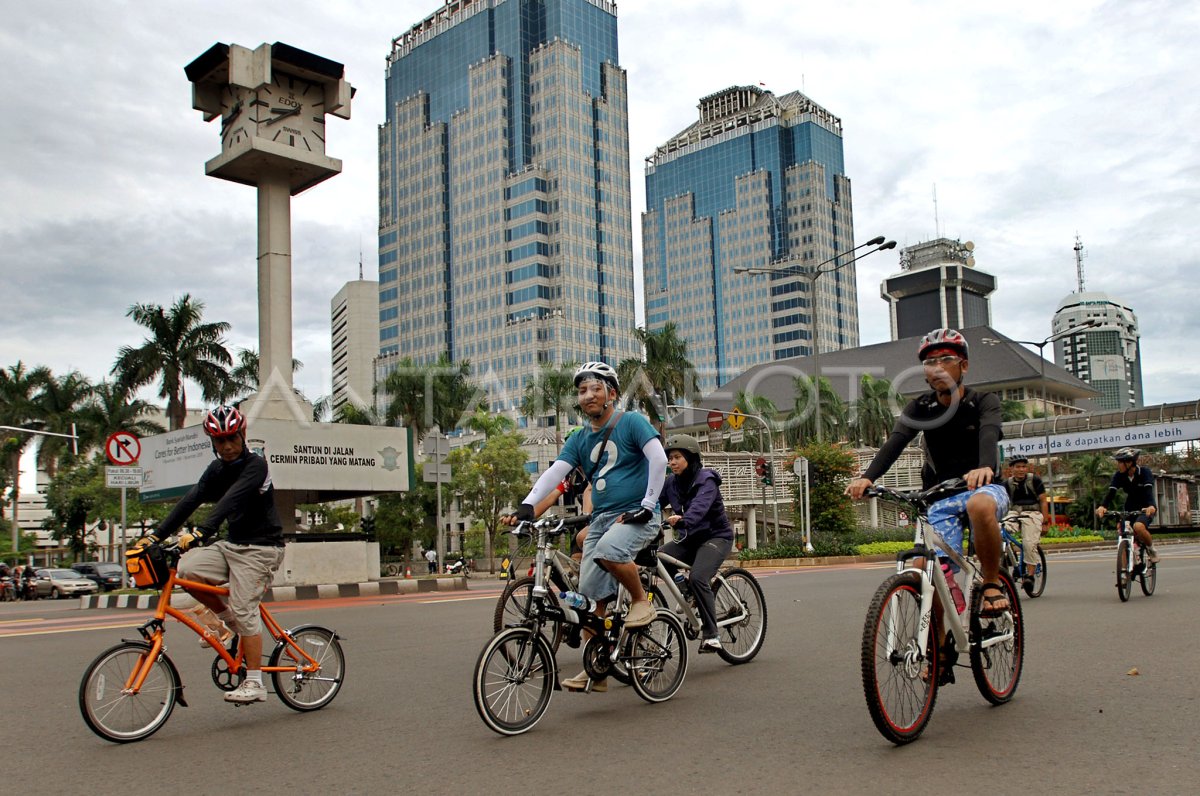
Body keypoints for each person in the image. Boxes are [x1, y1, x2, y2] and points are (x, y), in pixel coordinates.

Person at [507, 361, 667, 692]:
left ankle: (640, 600)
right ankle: (598, 669)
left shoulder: (632, 422)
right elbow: (555, 474)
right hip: (602, 519)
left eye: (596, 388)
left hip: (637, 514)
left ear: (612, 394)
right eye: (582, 391)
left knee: (610, 550)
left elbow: (660, 459)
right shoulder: (580, 439)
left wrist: (648, 505)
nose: (588, 395)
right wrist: (526, 504)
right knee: (590, 601)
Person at [845, 328, 1012, 620]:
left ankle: (990, 583)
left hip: (984, 488)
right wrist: (867, 477)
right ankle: (939, 652)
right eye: (930, 363)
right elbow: (895, 442)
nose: (937, 368)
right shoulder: (921, 407)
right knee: (923, 570)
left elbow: (989, 433)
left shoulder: (983, 401)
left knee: (979, 504)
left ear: (964, 365)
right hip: (941, 497)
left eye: (946, 359)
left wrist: (985, 466)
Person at [135, 405, 285, 705]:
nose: (227, 446)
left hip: (262, 548)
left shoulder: (256, 465)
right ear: (212, 442)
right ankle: (230, 624)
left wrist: (202, 531)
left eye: (232, 438)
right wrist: (155, 536)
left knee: (245, 610)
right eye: (219, 441)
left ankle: (254, 683)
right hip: (232, 545)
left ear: (242, 435)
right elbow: (190, 500)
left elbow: (232, 499)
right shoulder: (216, 469)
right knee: (188, 570)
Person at [659, 434, 734, 653]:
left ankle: (712, 635)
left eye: (677, 457)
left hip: (716, 537)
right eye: (669, 458)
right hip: (689, 539)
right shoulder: (671, 483)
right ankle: (689, 593)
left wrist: (684, 520)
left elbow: (700, 507)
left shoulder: (706, 480)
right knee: (661, 559)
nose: (672, 462)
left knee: (699, 576)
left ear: (691, 459)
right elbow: (653, 502)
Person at [1096, 447, 1159, 563]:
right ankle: (1124, 574)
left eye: (1120, 462)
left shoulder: (1145, 472)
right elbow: (1111, 492)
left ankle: (1151, 549)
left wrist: (1151, 506)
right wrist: (1103, 506)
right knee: (1122, 531)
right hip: (1130, 507)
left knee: (1138, 527)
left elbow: (1148, 491)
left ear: (1129, 463)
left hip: (1146, 507)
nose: (1118, 465)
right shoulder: (1119, 475)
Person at [1001, 455, 1050, 586]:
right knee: (1000, 530)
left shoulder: (1034, 480)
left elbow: (1043, 501)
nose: (1021, 469)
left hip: (1032, 513)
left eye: (1024, 466)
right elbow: (1001, 502)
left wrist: (1045, 523)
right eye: (1018, 467)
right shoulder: (1007, 484)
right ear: (1011, 469)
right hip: (1014, 512)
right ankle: (1009, 557)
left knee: (1029, 544)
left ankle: (1030, 576)